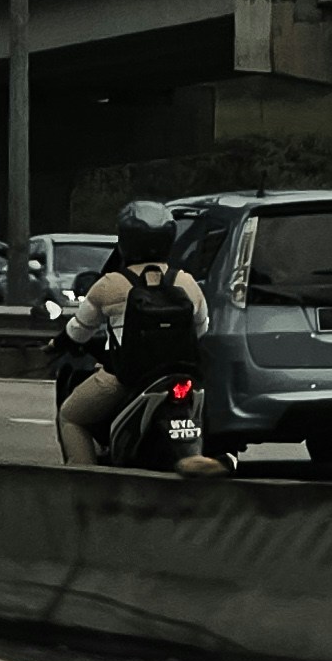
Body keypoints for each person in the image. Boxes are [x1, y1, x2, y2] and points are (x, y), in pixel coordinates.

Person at [55, 201, 219, 470]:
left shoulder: (109, 284)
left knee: (71, 416)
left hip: (125, 379)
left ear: (125, 241)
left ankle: (84, 479)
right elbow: (202, 329)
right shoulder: (186, 281)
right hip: (182, 376)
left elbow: (79, 331)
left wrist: (58, 343)